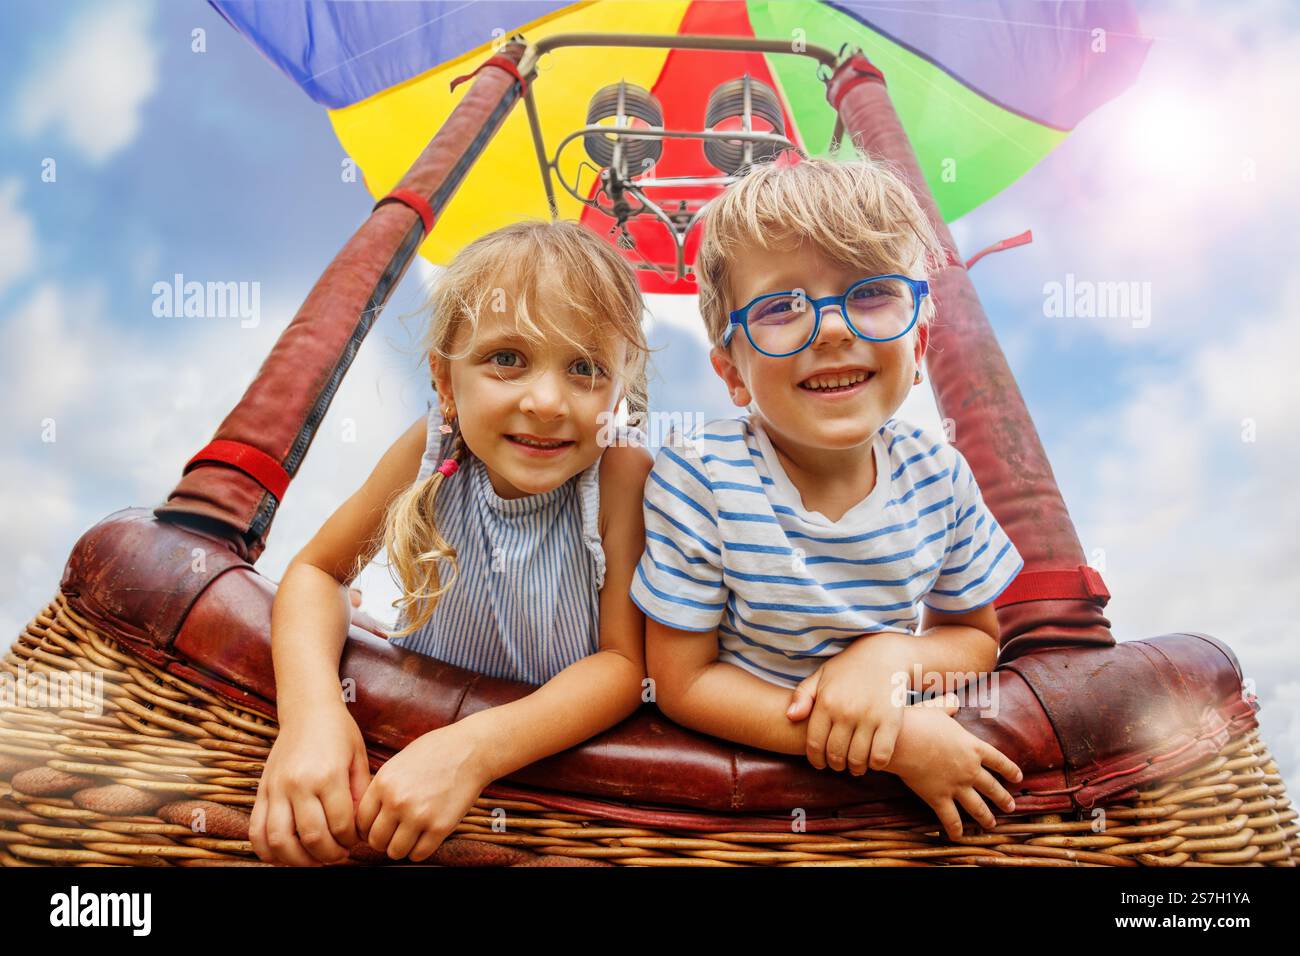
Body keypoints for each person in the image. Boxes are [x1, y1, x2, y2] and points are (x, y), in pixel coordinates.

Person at [631, 155, 1025, 841]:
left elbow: (975, 640)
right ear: (733, 374)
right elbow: (682, 683)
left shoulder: (940, 473)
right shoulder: (699, 477)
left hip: (875, 821)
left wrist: (891, 657)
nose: (835, 327)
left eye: (870, 293)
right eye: (783, 306)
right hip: (739, 798)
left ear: (920, 340)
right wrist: (894, 742)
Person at [251, 219, 654, 865]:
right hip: (401, 744)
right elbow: (318, 575)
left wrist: (472, 749)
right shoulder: (433, 447)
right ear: (445, 379)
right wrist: (312, 717)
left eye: (585, 368)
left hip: (537, 780)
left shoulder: (620, 477)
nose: (547, 401)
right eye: (507, 359)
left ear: (620, 391)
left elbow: (623, 666)